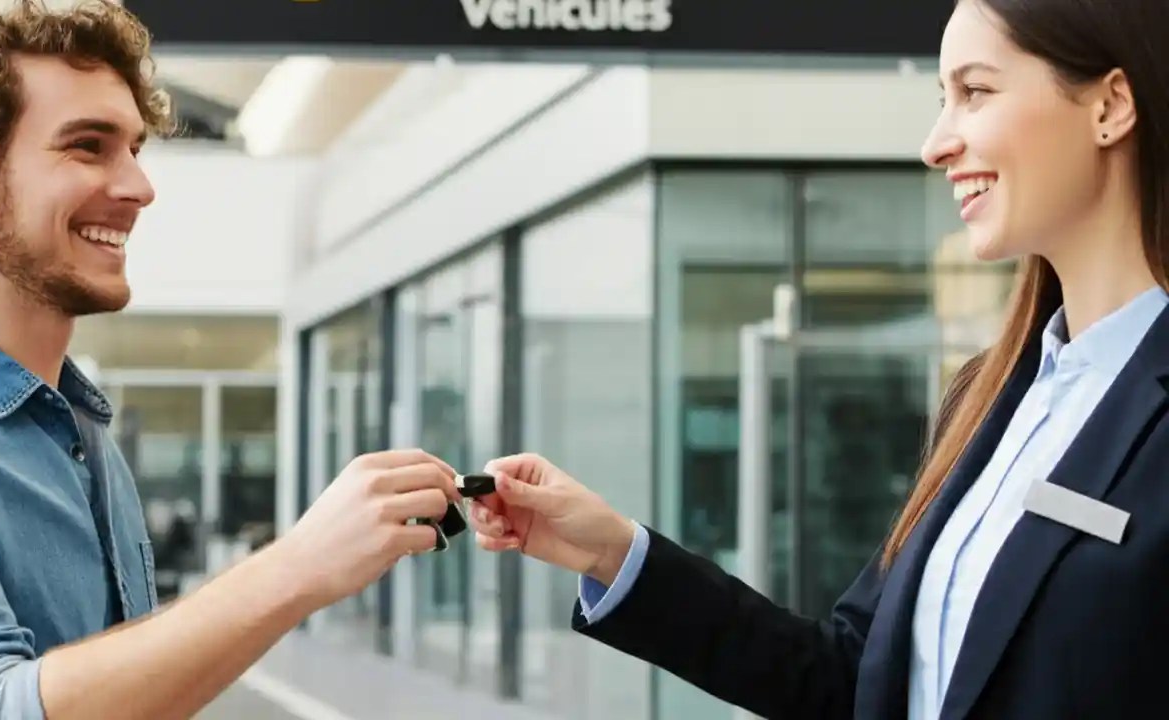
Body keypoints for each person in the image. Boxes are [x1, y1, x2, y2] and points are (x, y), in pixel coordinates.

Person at [471, 1, 1169, 718]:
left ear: (1110, 106)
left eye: (976, 92)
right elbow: (853, 677)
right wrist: (613, 553)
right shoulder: (987, 397)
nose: (936, 145)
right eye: (941, 100)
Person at [0, 2, 460, 718]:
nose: (139, 187)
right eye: (88, 145)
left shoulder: (80, 430)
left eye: (135, 148)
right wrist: (296, 568)